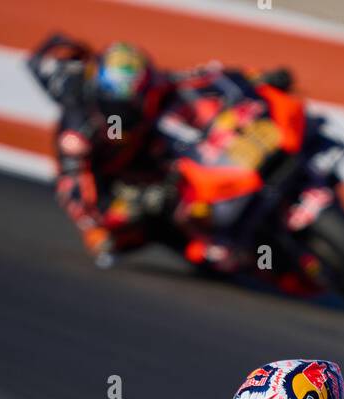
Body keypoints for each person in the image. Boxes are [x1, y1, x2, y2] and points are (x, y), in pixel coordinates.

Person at [28, 33, 293, 266]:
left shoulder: (156, 87)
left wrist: (257, 78)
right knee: (114, 236)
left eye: (135, 101)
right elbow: (73, 188)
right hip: (126, 189)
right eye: (121, 108)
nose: (127, 113)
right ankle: (220, 246)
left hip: (167, 163)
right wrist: (106, 217)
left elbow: (203, 77)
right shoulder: (77, 134)